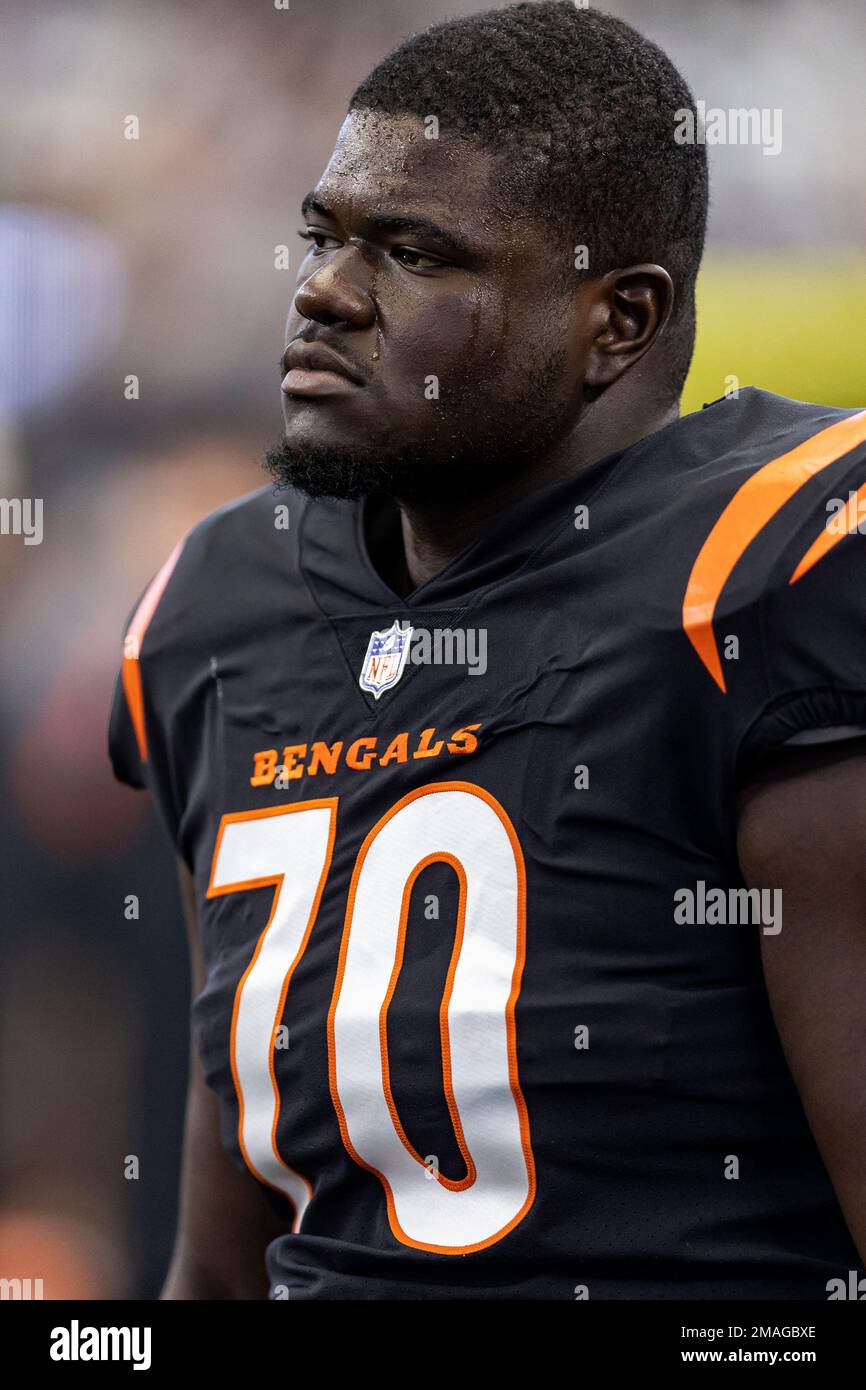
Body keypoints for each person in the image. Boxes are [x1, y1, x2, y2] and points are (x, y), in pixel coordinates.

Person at [109, 3, 866, 1299]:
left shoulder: (771, 572)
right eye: (322, 235)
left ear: (615, 320)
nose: (323, 292)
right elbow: (231, 1242)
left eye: (409, 251)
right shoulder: (219, 605)